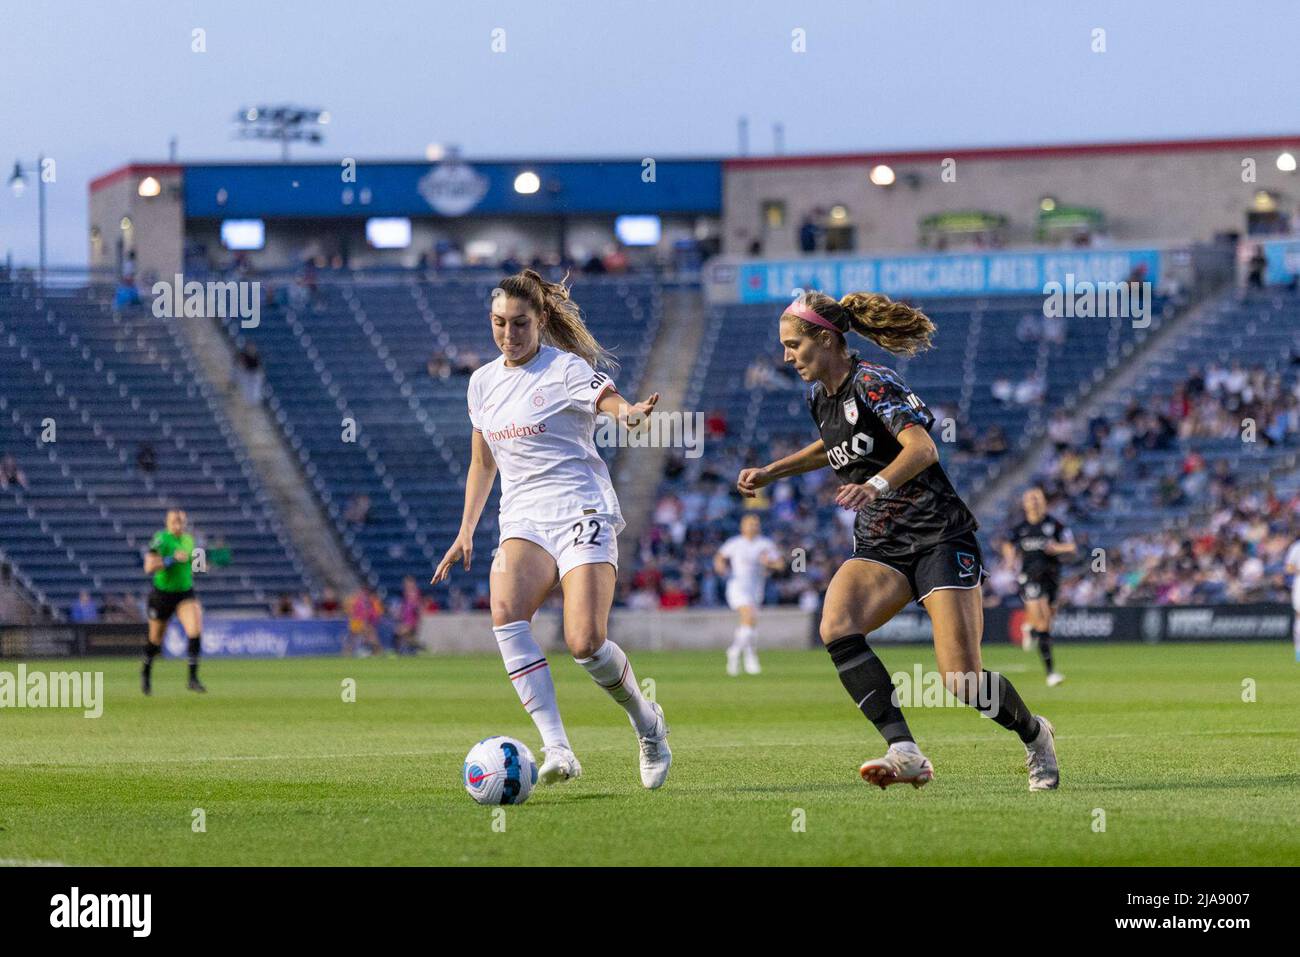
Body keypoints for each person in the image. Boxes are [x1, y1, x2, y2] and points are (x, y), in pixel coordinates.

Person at [736, 290, 1060, 792]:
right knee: (837, 626)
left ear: (825, 338)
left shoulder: (874, 381)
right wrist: (773, 471)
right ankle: (904, 750)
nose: (786, 356)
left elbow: (922, 447)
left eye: (793, 344)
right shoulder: (820, 395)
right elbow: (837, 443)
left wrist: (875, 484)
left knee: (963, 682)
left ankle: (1036, 734)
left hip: (938, 537)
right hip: (880, 544)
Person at [432, 268, 671, 790]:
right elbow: (482, 462)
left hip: (581, 509)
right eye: (499, 323)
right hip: (523, 517)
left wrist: (629, 414)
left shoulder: (565, 369)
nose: (508, 334)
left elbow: (610, 401)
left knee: (585, 641)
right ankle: (557, 748)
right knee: (506, 615)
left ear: (540, 321)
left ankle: (647, 724)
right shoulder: (482, 382)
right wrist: (466, 528)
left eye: (519, 324)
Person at [1009, 487, 1077, 686]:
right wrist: (1010, 558)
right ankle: (1050, 673)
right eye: (1030, 499)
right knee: (1044, 622)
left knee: (1048, 621)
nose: (1034, 502)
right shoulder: (1019, 528)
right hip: (1029, 577)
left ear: (1044, 502)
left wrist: (1057, 548)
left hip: (1052, 577)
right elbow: (1008, 544)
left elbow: (1072, 547)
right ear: (1025, 504)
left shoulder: (1055, 525)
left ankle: (1031, 628)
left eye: (1037, 498)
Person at [141, 509, 206, 694]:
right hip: (162, 595)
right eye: (174, 521)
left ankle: (192, 679)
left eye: (181, 521)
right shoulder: (161, 539)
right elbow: (149, 567)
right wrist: (171, 559)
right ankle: (146, 671)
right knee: (155, 640)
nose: (178, 525)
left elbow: (198, 568)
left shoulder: (190, 540)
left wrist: (207, 562)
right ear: (167, 522)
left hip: (185, 593)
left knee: (195, 629)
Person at [714, 514, 782, 675]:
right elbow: (719, 558)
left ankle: (745, 655)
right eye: (749, 524)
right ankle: (737, 652)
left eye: (755, 524)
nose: (752, 527)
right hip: (737, 586)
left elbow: (780, 564)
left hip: (756, 589)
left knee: (750, 623)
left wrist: (769, 563)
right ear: (742, 526)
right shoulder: (735, 543)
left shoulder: (765, 544)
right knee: (748, 616)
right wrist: (721, 567)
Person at [344, 586, 385, 656]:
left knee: (371, 636)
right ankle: (347, 653)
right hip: (358, 624)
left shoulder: (371, 601)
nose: (363, 594)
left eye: (365, 592)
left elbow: (375, 614)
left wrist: (368, 622)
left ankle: (378, 652)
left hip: (367, 624)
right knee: (354, 637)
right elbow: (354, 613)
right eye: (362, 592)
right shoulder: (358, 601)